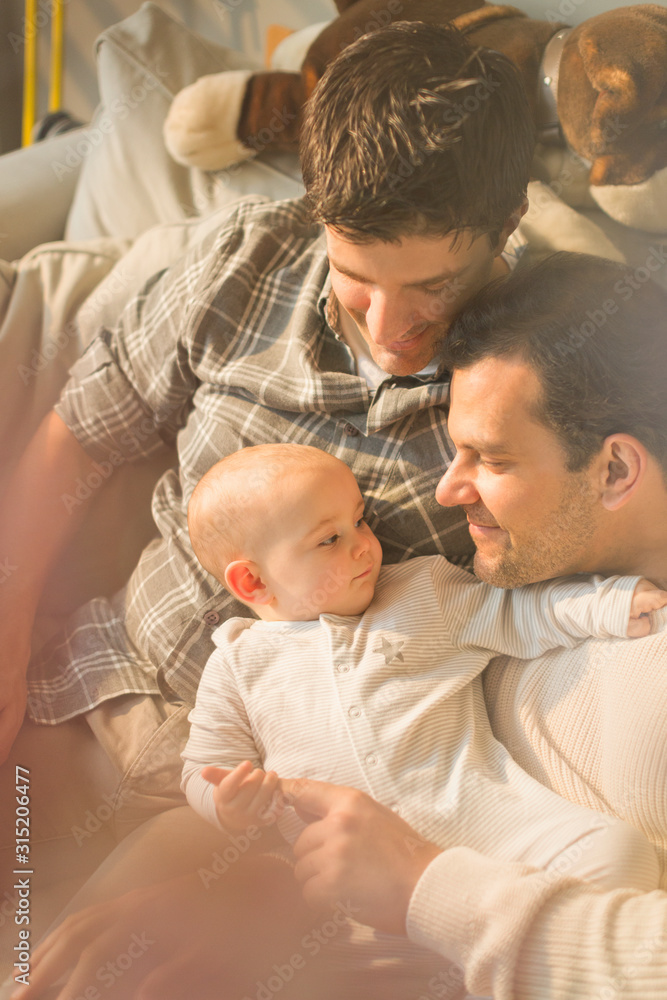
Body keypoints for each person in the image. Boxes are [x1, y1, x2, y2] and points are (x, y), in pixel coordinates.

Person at [0, 18, 534, 925]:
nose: (391, 330)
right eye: (356, 276)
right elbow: (81, 433)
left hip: (276, 806)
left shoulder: (548, 355)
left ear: (505, 227)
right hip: (98, 680)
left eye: (432, 287)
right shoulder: (246, 258)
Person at [271, 252, 667, 999]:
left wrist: (424, 885)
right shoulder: (485, 581)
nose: (448, 489)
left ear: (614, 471)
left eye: (489, 458)